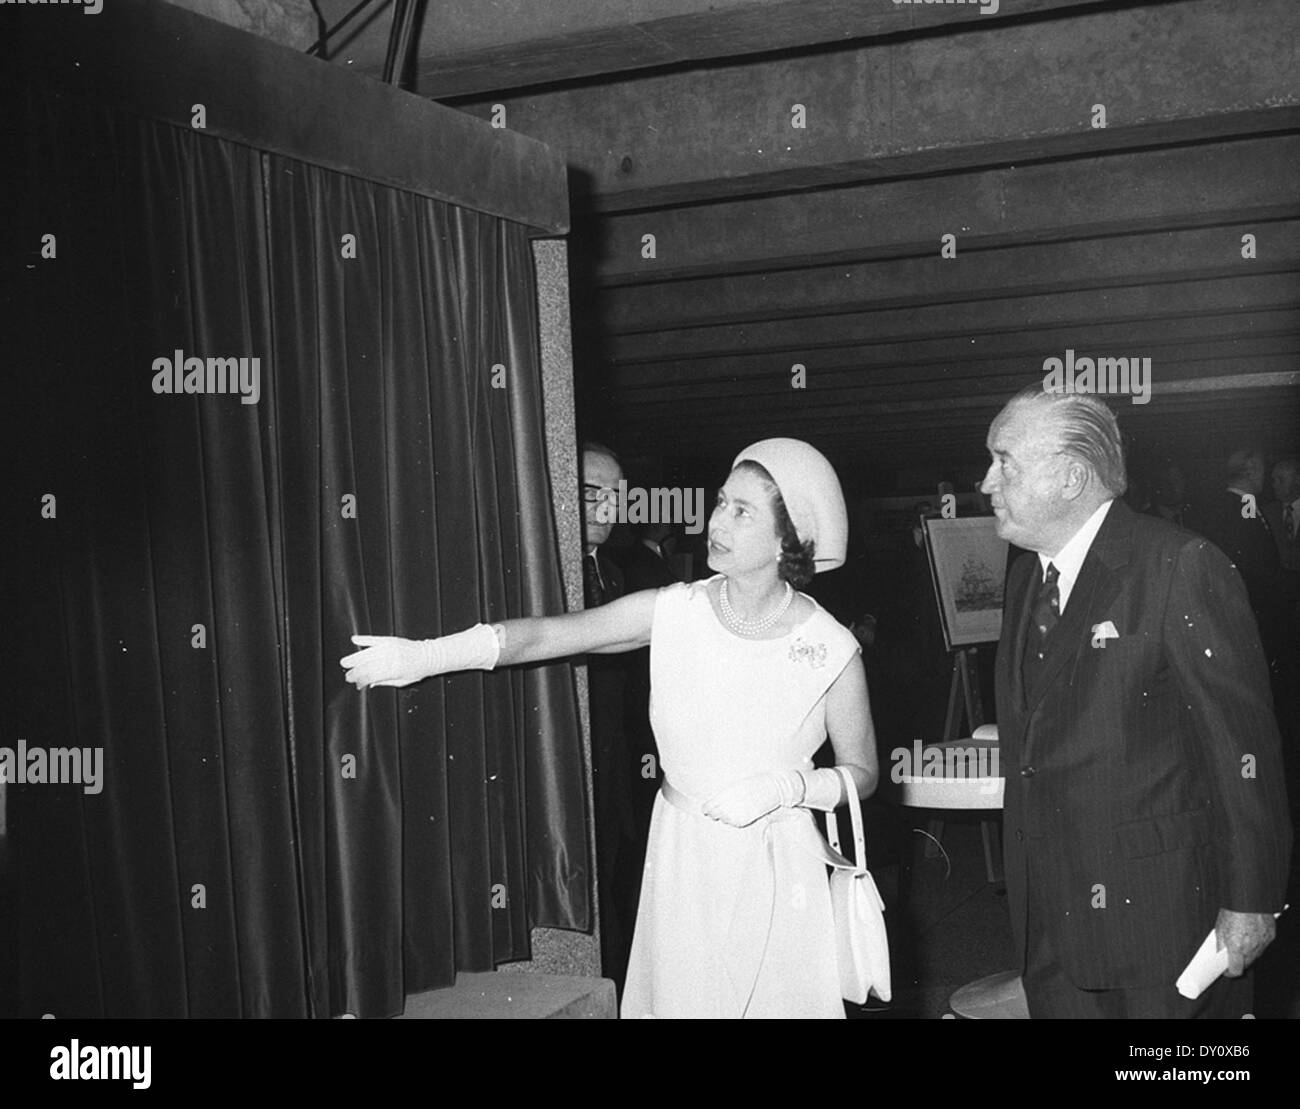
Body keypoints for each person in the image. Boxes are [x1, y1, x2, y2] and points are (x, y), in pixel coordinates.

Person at [341, 439, 879, 1018]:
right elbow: (549, 635)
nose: (716, 521)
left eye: (741, 511)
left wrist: (790, 789)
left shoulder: (830, 646)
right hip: (685, 855)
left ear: (787, 539)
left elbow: (865, 772)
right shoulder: (675, 610)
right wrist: (427, 656)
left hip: (780, 864)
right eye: (721, 501)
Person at [981, 387, 1291, 1018]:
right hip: (1050, 924)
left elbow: (1244, 752)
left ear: (1072, 477)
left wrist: (1252, 900)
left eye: (1004, 461)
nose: (987, 481)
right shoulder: (1023, 579)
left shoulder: (1178, 565)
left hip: (1162, 923)